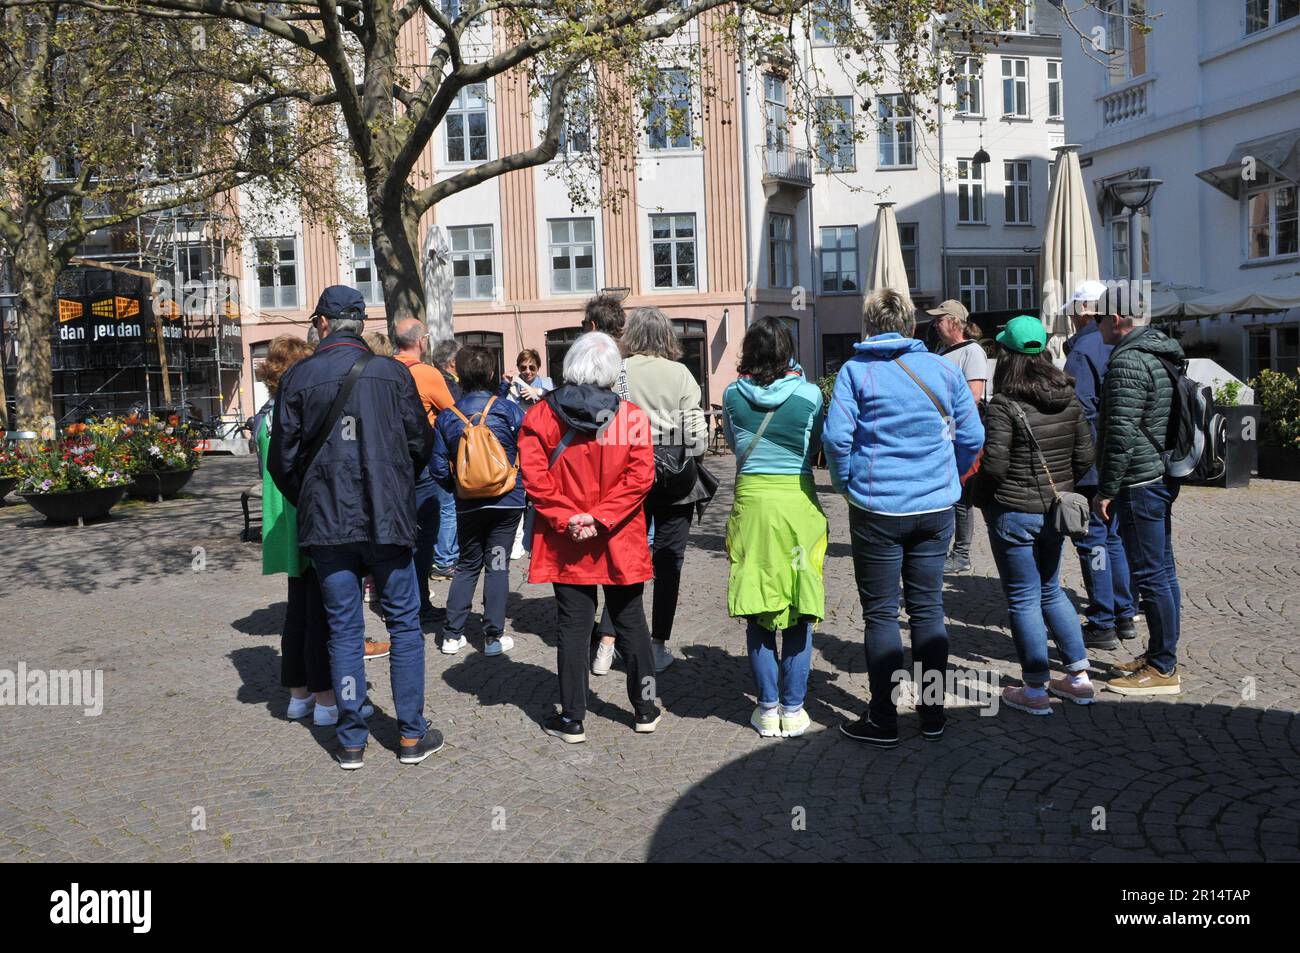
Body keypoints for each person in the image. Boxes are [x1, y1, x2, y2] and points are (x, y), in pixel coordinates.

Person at [268, 285, 442, 770]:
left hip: (329, 525)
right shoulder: (392, 374)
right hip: (387, 521)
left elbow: (280, 460)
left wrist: (312, 497)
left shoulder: (300, 377)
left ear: (322, 323)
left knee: (344, 630)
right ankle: (410, 733)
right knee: (404, 624)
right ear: (361, 325)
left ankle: (350, 740)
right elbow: (421, 444)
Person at [824, 289, 984, 748]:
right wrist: (948, 475)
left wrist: (845, 482)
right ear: (911, 326)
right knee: (928, 610)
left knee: (880, 614)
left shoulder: (856, 373)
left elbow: (836, 440)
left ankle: (883, 717)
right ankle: (932, 713)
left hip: (877, 507)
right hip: (935, 508)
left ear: (870, 327)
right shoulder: (942, 369)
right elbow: (972, 434)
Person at [517, 331, 660, 742]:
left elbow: (535, 478)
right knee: (631, 621)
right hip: (617, 534)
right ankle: (645, 709)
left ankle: (573, 717)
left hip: (568, 539)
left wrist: (569, 518)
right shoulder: (631, 417)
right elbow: (640, 478)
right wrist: (601, 517)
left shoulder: (541, 416)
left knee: (573, 626)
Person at [974, 316, 1096, 715]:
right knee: (1050, 589)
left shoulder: (1005, 404)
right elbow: (1085, 456)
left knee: (1025, 598)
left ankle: (1035, 688)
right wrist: (1059, 486)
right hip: (1056, 511)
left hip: (1013, 511)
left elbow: (993, 466)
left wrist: (980, 498)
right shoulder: (1069, 396)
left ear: (1007, 355)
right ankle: (1079, 678)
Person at [722, 318, 827, 739]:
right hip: (797, 503)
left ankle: (767, 708)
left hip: (753, 504)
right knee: (801, 608)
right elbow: (814, 445)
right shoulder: (810, 395)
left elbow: (733, 444)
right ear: (788, 350)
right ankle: (795, 707)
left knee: (758, 607)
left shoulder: (731, 395)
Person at [1093, 288, 1185, 696]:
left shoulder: (1129, 360)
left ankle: (1163, 667)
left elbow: (1120, 435)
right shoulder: (1161, 353)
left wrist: (1106, 489)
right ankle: (1159, 654)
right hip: (1159, 475)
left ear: (1117, 318)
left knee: (1151, 575)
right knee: (1162, 571)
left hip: (1140, 482)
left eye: (1099, 318)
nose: (1096, 325)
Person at [609, 306, 708, 674]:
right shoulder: (680, 373)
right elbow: (697, 437)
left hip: (627, 472)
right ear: (668, 336)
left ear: (631, 335)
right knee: (669, 561)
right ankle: (657, 643)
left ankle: (611, 639)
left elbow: (609, 425)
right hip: (674, 477)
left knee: (623, 554)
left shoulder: (619, 371)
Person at [256, 335, 341, 724]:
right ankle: (325, 699)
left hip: (281, 520)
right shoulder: (297, 413)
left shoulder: (264, 416)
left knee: (297, 613)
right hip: (306, 517)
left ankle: (298, 695)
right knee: (319, 614)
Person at [429, 345, 526, 657]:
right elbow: (529, 451)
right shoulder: (509, 411)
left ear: (460, 374)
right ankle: (492, 636)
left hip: (468, 501)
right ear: (493, 374)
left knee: (467, 564)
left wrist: (459, 486)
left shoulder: (448, 416)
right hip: (506, 499)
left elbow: (437, 467)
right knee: (497, 565)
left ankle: (451, 634)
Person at [1063, 281, 1137, 650]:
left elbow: (1078, 409)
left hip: (1093, 459)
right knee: (1115, 538)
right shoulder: (1121, 342)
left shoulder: (1085, 348)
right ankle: (1124, 615)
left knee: (1094, 541)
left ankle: (1102, 620)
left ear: (1081, 311)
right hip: (1124, 456)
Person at [394, 318, 459, 621]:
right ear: (421, 342)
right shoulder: (426, 374)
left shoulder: (382, 369)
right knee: (424, 534)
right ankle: (419, 600)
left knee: (396, 532)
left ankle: (394, 597)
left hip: (388, 464)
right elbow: (454, 414)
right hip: (420, 463)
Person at [928, 299, 988, 575]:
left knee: (962, 495)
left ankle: (962, 553)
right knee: (948, 493)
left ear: (954, 321)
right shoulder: (941, 351)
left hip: (960, 432)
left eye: (939, 319)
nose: (935, 324)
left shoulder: (972, 352)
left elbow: (973, 396)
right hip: (944, 431)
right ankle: (945, 547)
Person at [503, 348, 554, 559]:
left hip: (543, 446)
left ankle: (537, 540)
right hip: (519, 446)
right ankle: (518, 541)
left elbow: (557, 399)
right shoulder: (513, 386)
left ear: (538, 367)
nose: (527, 371)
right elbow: (501, 405)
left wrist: (539, 393)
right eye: (523, 367)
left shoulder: (547, 384)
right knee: (519, 494)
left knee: (540, 494)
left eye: (531, 367)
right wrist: (505, 385)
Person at [428, 338, 463, 579]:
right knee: (448, 507)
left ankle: (444, 555)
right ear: (452, 363)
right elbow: (456, 415)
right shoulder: (446, 384)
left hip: (435, 453)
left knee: (444, 507)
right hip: (444, 454)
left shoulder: (438, 379)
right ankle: (444, 560)